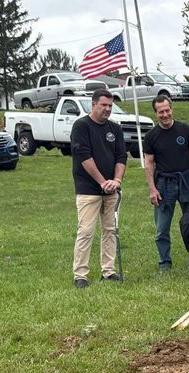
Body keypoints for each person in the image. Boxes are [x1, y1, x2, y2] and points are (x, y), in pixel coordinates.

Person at [70, 89, 126, 288]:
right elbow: (84, 157)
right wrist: (102, 182)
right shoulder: (81, 126)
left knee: (110, 230)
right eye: (104, 105)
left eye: (110, 106)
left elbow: (121, 157)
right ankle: (81, 275)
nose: (107, 109)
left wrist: (116, 181)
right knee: (86, 231)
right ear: (93, 105)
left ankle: (108, 271)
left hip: (112, 190)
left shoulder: (115, 129)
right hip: (88, 190)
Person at [142, 94, 189, 272]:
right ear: (156, 114)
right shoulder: (152, 136)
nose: (165, 114)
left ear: (172, 109)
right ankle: (165, 262)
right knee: (162, 227)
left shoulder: (184, 130)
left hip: (187, 181)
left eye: (167, 110)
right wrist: (152, 189)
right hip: (164, 184)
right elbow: (148, 163)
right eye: (161, 112)